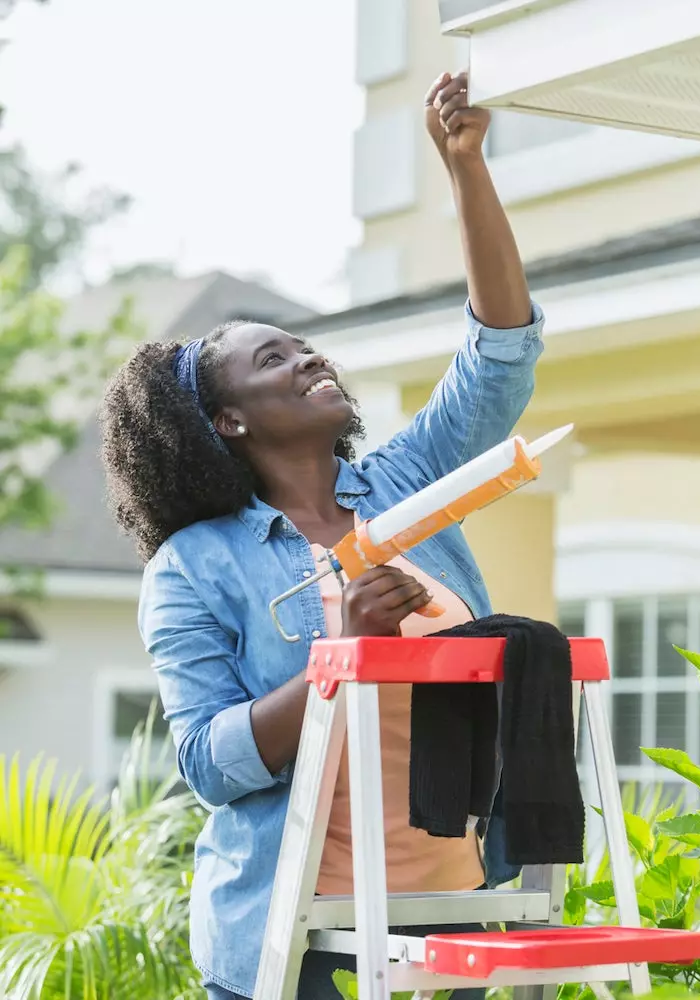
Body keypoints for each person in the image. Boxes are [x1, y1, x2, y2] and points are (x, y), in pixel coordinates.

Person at [100, 71, 545, 1000]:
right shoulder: (194, 566)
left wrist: (465, 167)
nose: (308, 357)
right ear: (228, 423)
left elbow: (500, 351)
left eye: (303, 345)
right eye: (274, 358)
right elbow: (207, 765)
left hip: (452, 923)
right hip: (297, 939)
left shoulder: (408, 488)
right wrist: (342, 657)